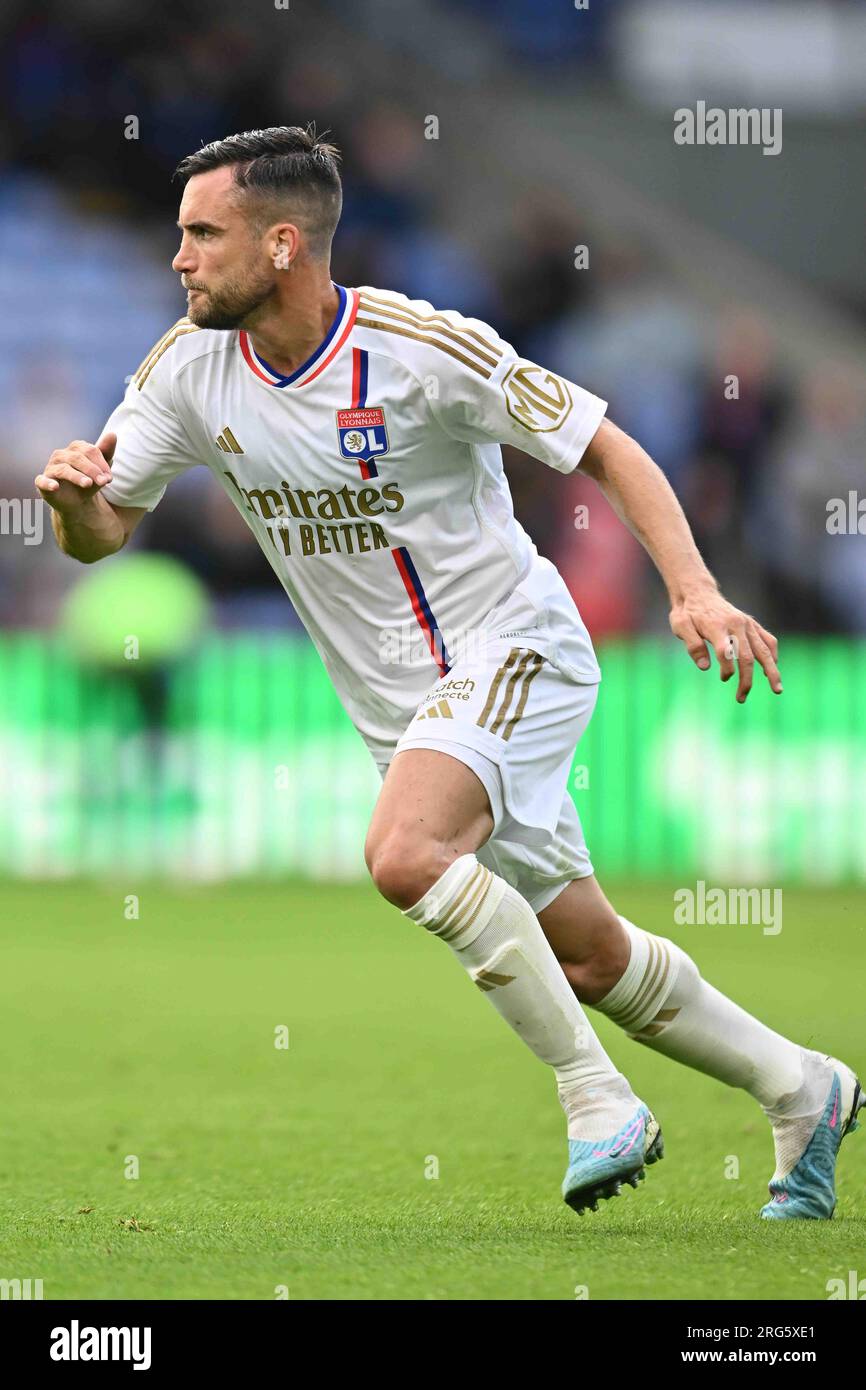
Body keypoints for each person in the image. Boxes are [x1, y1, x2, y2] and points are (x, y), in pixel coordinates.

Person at [36, 125, 862, 1218]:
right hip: (402, 709)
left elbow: (605, 444)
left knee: (402, 850)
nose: (178, 258)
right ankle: (803, 1087)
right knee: (587, 959)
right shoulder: (186, 373)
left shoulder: (421, 351)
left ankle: (593, 1098)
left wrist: (693, 588)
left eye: (202, 233)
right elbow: (103, 533)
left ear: (282, 243)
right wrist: (68, 506)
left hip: (511, 646)